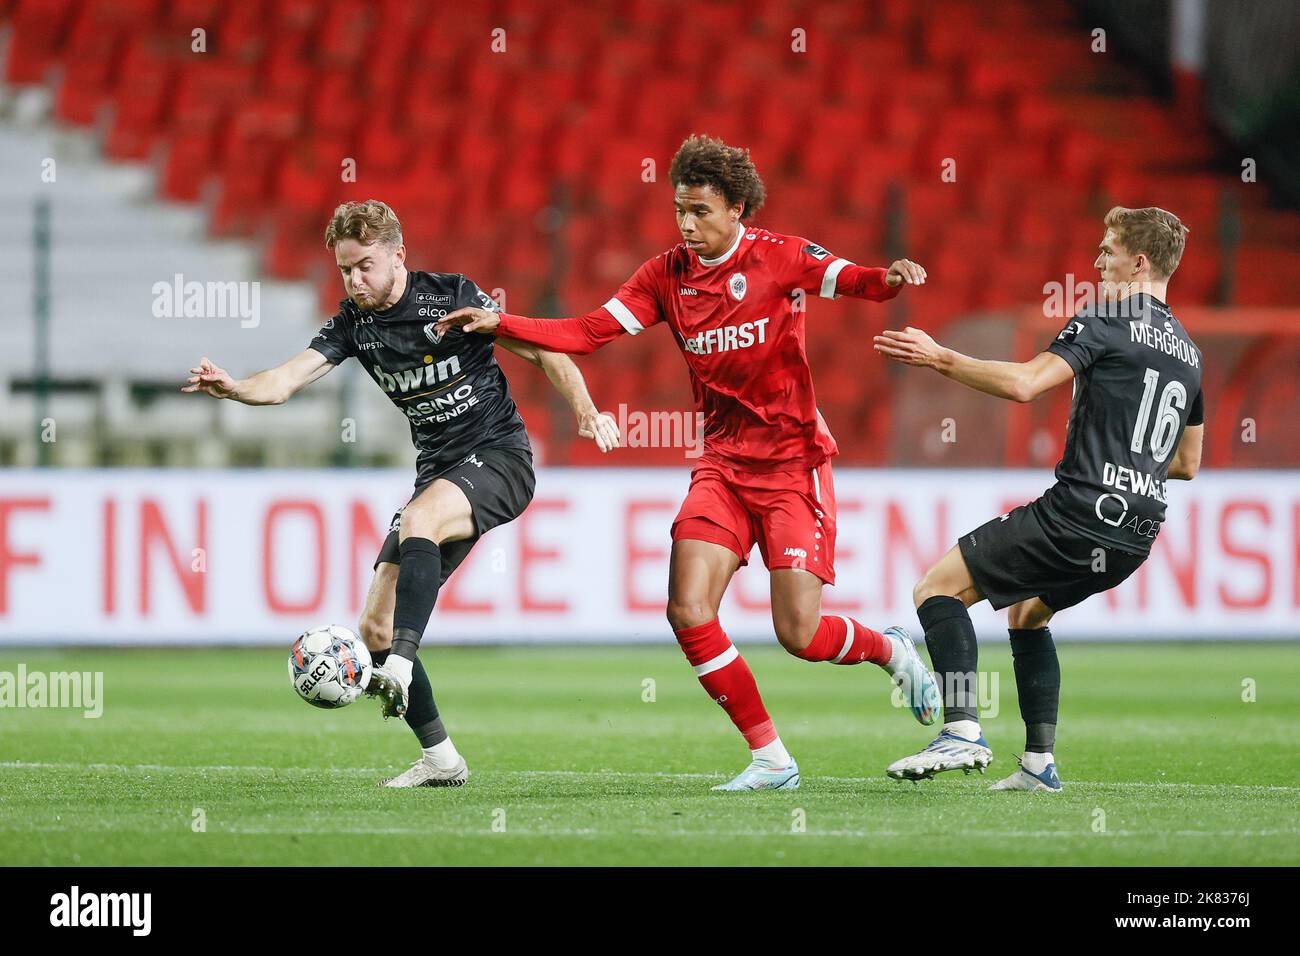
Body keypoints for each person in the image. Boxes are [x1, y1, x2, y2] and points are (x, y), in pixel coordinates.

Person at [439, 135, 940, 791]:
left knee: (799, 632)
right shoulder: (664, 276)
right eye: (679, 210)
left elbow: (856, 283)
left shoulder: (781, 257)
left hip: (793, 467)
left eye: (700, 210)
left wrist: (890, 278)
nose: (687, 224)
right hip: (723, 469)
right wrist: (501, 323)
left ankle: (889, 649)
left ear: (737, 208)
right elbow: (589, 332)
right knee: (687, 607)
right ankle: (771, 759)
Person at [184, 199, 620, 788]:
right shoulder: (352, 326)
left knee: (419, 524)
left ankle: (402, 667)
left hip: (500, 457)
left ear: (398, 256)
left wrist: (586, 410)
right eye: (344, 270)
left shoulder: (452, 298)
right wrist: (236, 388)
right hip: (438, 470)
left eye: (365, 265)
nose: (354, 279)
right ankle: (441, 758)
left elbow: (543, 349)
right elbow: (285, 380)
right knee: (375, 627)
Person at [873, 206, 1203, 792]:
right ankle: (1038, 764)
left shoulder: (1105, 321)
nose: (1098, 260)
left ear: (1140, 261)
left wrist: (940, 357)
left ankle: (962, 730)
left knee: (936, 588)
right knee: (1028, 614)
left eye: (1108, 249)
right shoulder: (1189, 355)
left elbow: (1026, 384)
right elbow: (1186, 463)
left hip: (1080, 512)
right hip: (1138, 533)